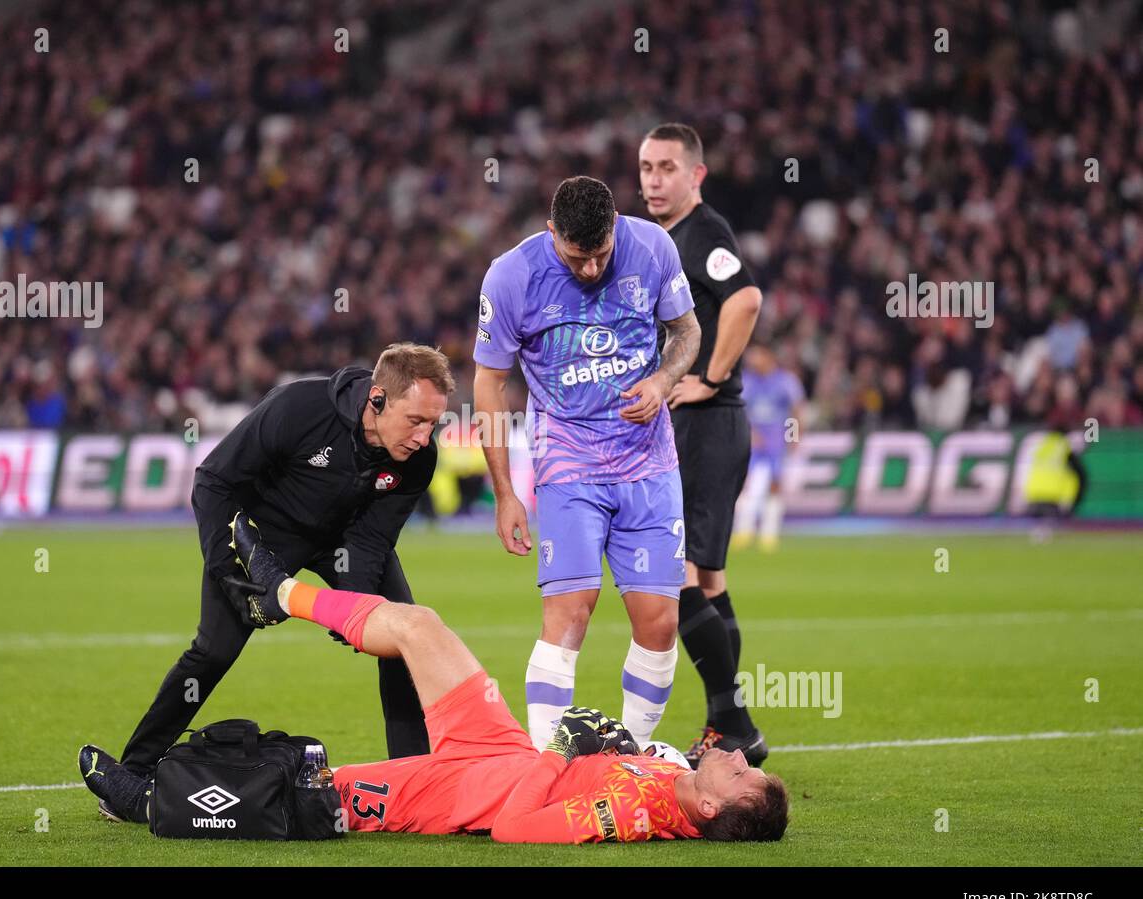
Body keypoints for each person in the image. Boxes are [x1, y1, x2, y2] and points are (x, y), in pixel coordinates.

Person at [80, 513, 789, 843]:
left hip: (472, 792)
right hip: (500, 749)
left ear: (709, 812)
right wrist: (610, 748)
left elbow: (516, 832)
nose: (732, 755)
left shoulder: (633, 819)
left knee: (314, 790)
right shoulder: (674, 786)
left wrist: (563, 753)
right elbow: (610, 768)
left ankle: (151, 801)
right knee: (421, 626)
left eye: (738, 775)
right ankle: (281, 593)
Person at [102, 344, 453, 821]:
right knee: (214, 651)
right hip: (261, 534)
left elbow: (369, 541)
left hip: (345, 540)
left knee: (401, 641)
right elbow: (213, 483)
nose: (424, 436)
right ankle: (133, 774)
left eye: (434, 423)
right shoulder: (298, 409)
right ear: (377, 399)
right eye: (415, 420)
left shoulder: (418, 459)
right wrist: (233, 577)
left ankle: (409, 784)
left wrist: (353, 611)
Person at [472, 175, 701, 750]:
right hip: (569, 463)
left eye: (600, 255)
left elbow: (687, 331)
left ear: (616, 227)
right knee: (571, 614)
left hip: (649, 463)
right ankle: (547, 768)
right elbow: (489, 383)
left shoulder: (652, 249)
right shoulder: (512, 277)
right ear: (551, 233)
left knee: (660, 623)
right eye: (578, 258)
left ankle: (628, 759)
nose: (592, 270)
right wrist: (504, 492)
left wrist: (664, 377)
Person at [638, 123, 767, 767]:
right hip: (710, 426)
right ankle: (727, 722)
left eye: (666, 167)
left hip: (709, 422)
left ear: (696, 174)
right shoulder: (668, 238)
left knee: (678, 571)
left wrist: (708, 379)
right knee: (708, 577)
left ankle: (732, 720)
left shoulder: (704, 232)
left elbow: (745, 298)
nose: (654, 180)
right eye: (646, 168)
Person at [735, 343, 807, 551]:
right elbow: (739, 410)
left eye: (756, 355)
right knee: (746, 484)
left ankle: (769, 532)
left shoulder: (786, 381)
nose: (751, 359)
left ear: (768, 356)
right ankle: (744, 530)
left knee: (775, 485)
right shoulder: (747, 380)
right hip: (753, 441)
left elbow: (797, 409)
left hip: (777, 442)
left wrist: (793, 437)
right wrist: (748, 433)